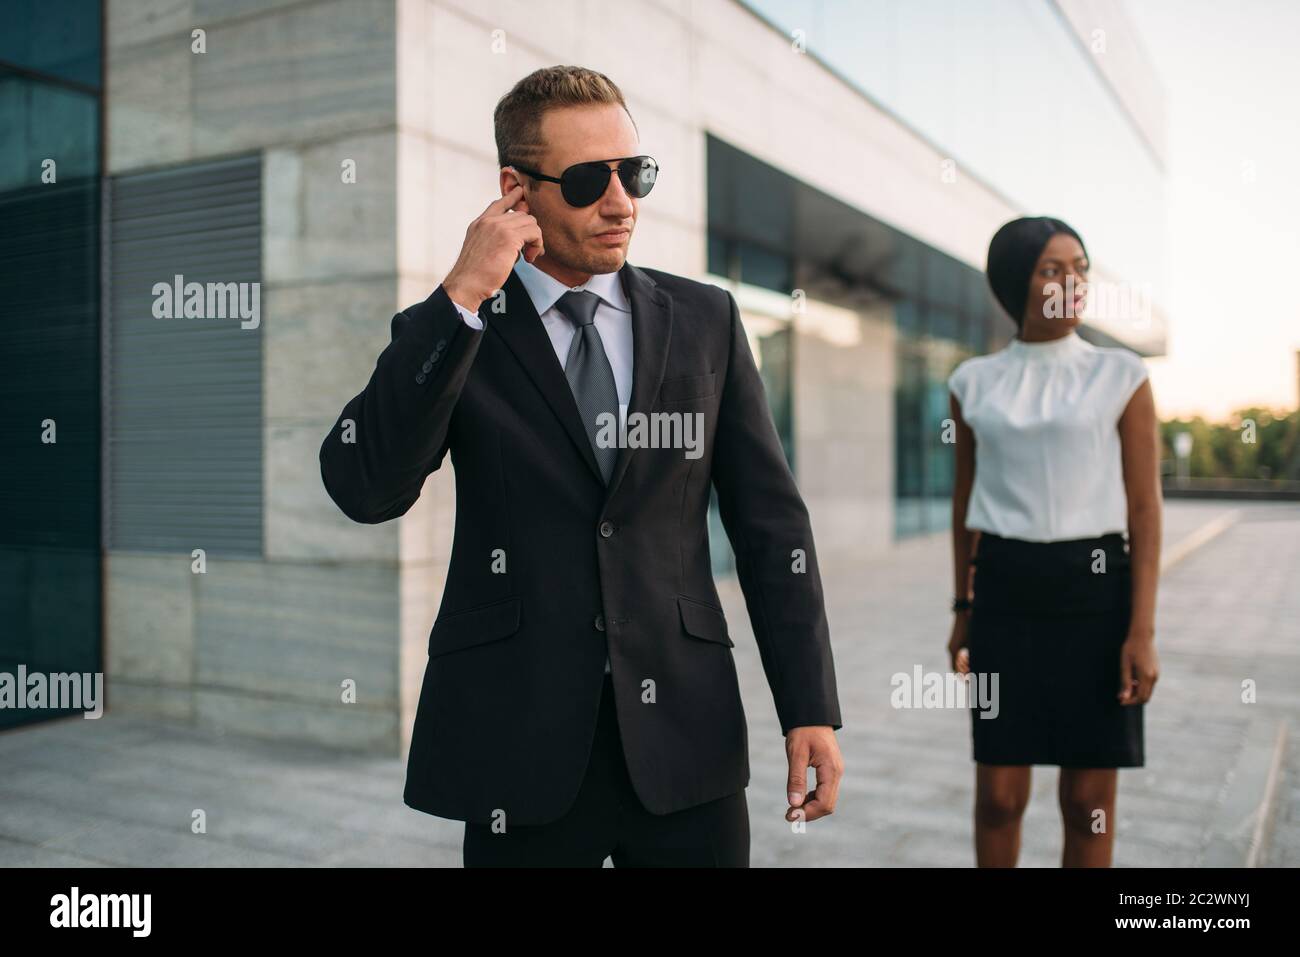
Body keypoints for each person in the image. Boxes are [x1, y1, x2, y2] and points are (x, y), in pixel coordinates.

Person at [319, 65, 843, 867]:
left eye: (634, 174)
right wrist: (461, 294)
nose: (621, 201)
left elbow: (771, 524)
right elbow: (365, 485)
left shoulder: (705, 319)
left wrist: (808, 704)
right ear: (515, 189)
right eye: (591, 179)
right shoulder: (459, 329)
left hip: (685, 737)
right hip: (518, 743)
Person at [946, 216, 1161, 867]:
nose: (1072, 282)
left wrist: (1142, 630)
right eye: (1051, 269)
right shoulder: (971, 382)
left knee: (1087, 804)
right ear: (1017, 282)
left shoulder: (1122, 375)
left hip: (1096, 596)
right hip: (1005, 596)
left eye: (1080, 268)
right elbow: (966, 507)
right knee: (1000, 797)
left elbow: (1145, 507)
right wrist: (963, 609)